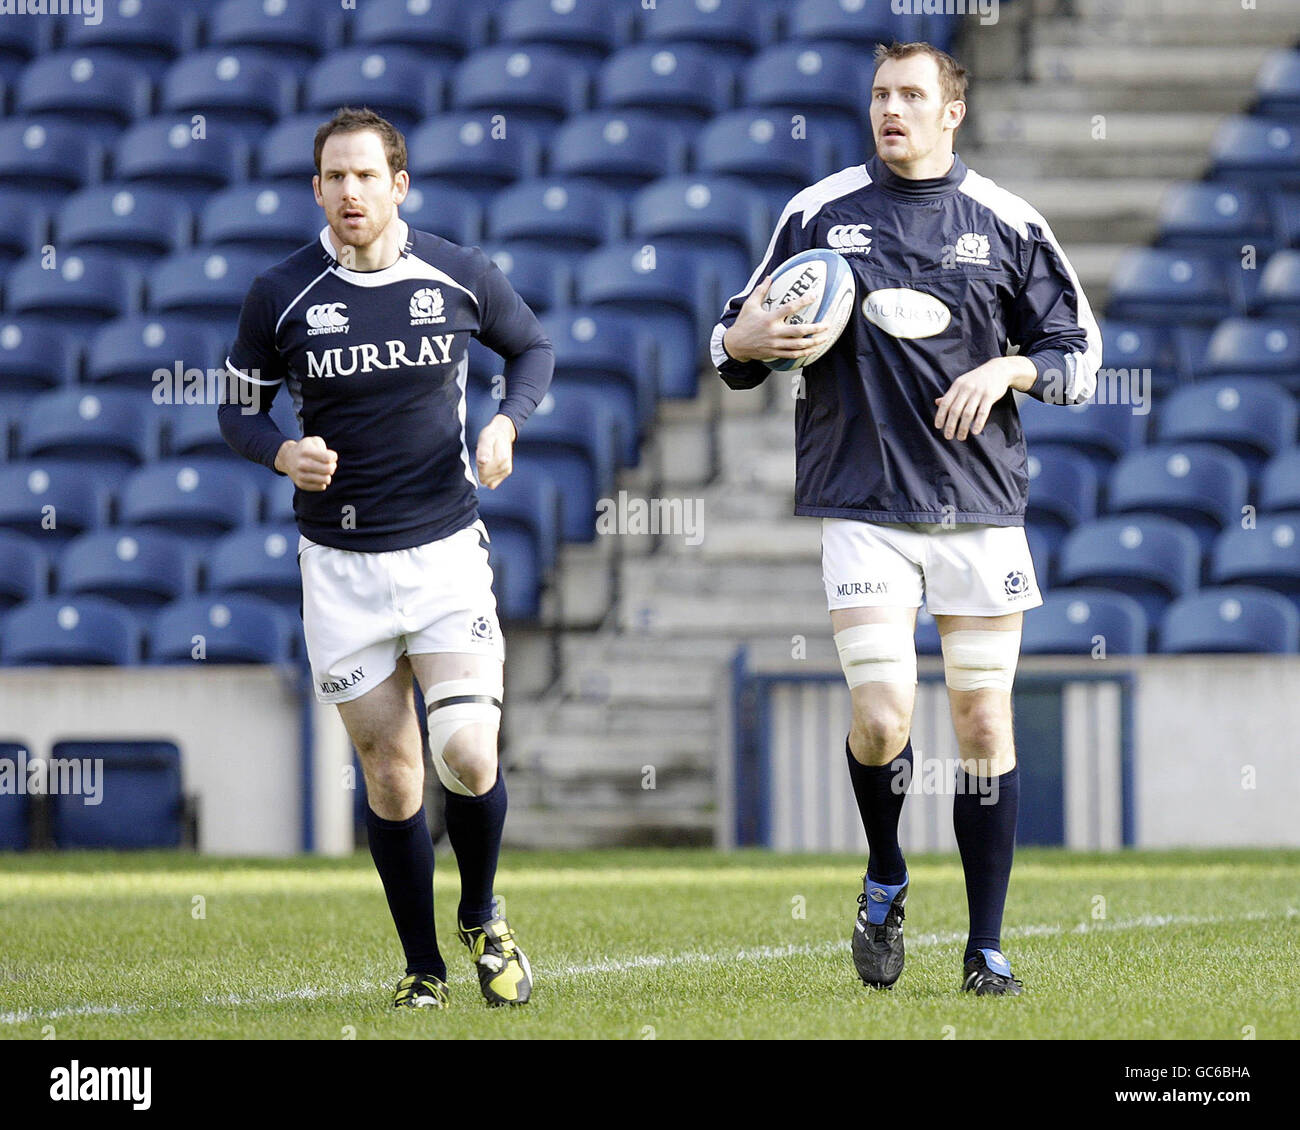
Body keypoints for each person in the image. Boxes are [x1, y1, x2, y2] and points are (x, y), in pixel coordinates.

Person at [712, 42, 1101, 995]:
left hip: (978, 507)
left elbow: (1079, 354)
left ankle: (986, 946)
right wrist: (742, 337)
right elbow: (735, 338)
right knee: (883, 719)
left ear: (951, 111)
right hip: (863, 502)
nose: (893, 109)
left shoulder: (1007, 220)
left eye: (913, 95)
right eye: (882, 94)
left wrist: (1007, 369)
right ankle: (886, 872)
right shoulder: (820, 212)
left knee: (982, 722)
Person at [219, 107, 553, 1009]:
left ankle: (482, 916)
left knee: (470, 757)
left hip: (444, 553)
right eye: (335, 177)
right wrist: (281, 453)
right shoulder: (279, 293)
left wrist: (507, 422)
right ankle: (423, 969)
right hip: (339, 567)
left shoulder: (456, 272)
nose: (350, 192)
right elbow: (237, 409)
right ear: (317, 188)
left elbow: (531, 347)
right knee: (393, 774)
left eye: (367, 176)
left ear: (399, 184)